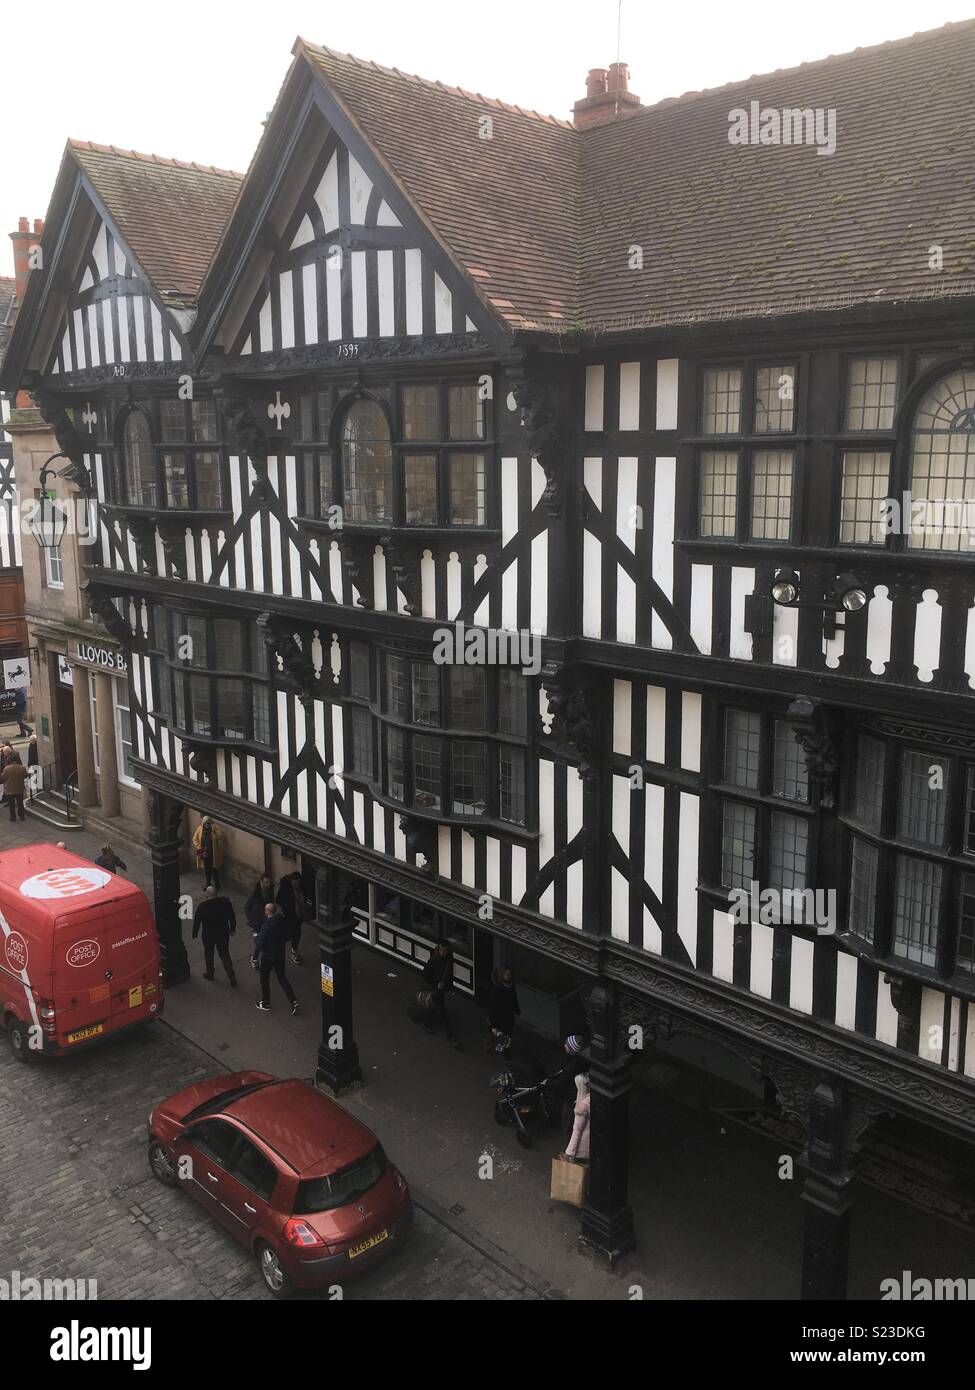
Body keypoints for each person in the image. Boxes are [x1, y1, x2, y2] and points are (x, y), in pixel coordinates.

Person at [253, 902, 299, 1015]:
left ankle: (266, 1002)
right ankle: (293, 1001)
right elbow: (288, 936)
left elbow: (260, 944)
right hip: (280, 955)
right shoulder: (282, 922)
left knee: (264, 978)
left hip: (268, 957)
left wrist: (255, 937)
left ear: (267, 912)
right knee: (282, 978)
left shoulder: (266, 927)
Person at [192, 885, 238, 987]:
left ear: (207, 895)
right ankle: (231, 975)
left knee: (209, 954)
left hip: (209, 935)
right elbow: (231, 915)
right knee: (224, 954)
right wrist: (232, 928)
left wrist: (194, 933)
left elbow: (197, 922)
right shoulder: (225, 902)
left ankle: (210, 973)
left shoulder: (202, 907)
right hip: (223, 933)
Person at [421, 941, 460, 1048]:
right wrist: (436, 984)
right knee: (443, 1013)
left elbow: (448, 974)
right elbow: (425, 976)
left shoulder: (448, 960)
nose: (443, 953)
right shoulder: (434, 960)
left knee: (435, 1006)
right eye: (441, 950)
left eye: (445, 951)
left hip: (441, 988)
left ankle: (426, 1022)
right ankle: (451, 1037)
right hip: (436, 989)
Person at [276, 869, 308, 965]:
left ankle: (294, 950)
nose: (297, 884)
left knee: (297, 933)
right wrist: (288, 905)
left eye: (298, 882)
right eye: (295, 882)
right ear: (291, 881)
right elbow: (278, 900)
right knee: (289, 934)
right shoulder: (285, 888)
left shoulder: (301, 888)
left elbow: (304, 897)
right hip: (289, 915)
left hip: (299, 915)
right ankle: (278, 950)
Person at [485, 965, 520, 1053]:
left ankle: (504, 1051)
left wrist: (516, 1009)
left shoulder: (511, 986)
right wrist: (492, 1022)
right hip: (499, 1015)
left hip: (508, 1015)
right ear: (502, 975)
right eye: (508, 975)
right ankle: (492, 1045)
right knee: (497, 1032)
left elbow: (514, 998)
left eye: (510, 974)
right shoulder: (497, 989)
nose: (510, 976)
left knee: (507, 1034)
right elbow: (492, 1005)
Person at [563, 1075, 591, 1164]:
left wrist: (569, 1152)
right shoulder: (592, 1100)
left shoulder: (581, 1107)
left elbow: (577, 1132)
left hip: (581, 1151)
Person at [192, 816, 223, 890]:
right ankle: (208, 884)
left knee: (214, 869)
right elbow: (195, 839)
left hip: (213, 853)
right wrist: (199, 847)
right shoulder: (200, 829)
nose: (207, 825)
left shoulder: (214, 828)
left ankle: (217, 884)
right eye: (205, 823)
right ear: (203, 823)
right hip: (203, 852)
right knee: (206, 869)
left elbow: (220, 836)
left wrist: (213, 831)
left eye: (208, 823)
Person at [244, 874, 276, 942]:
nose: (269, 884)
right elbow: (246, 908)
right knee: (258, 939)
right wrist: (252, 920)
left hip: (266, 918)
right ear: (261, 882)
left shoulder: (270, 889)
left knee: (267, 938)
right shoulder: (254, 893)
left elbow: (272, 901)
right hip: (257, 920)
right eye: (266, 882)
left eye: (269, 882)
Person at [1, 756, 27, 822]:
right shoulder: (22, 767)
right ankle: (21, 816)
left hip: (10, 789)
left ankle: (13, 817)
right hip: (19, 788)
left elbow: (3, 777)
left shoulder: (6, 768)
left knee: (11, 804)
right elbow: (25, 776)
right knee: (20, 803)